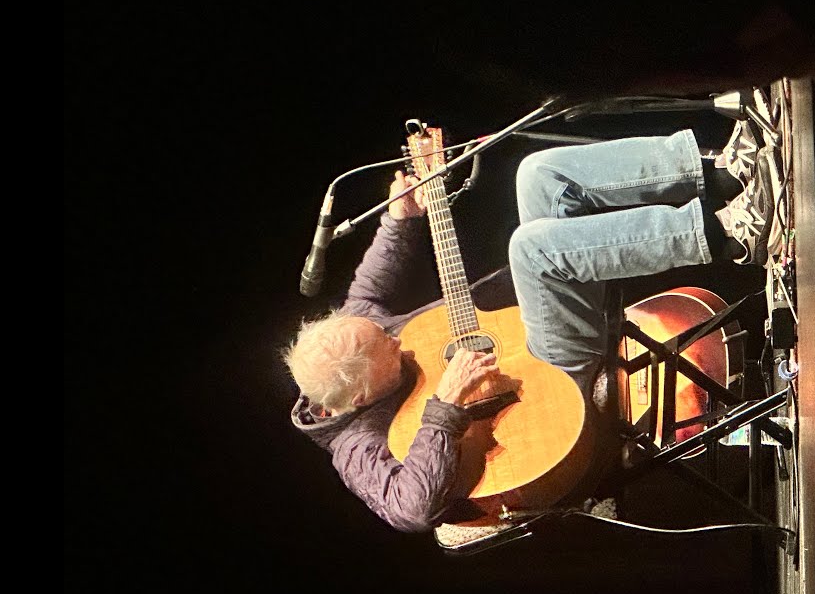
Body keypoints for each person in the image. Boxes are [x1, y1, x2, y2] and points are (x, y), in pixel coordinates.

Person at [283, 118, 778, 533]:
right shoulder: (353, 448)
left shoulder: (355, 333)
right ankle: (733, 234)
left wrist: (399, 217)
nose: (397, 341)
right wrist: (444, 408)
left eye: (384, 332)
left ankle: (722, 175)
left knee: (539, 175)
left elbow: (370, 289)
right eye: (389, 354)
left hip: (526, 331)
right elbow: (410, 508)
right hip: (545, 394)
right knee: (533, 251)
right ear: (360, 399)